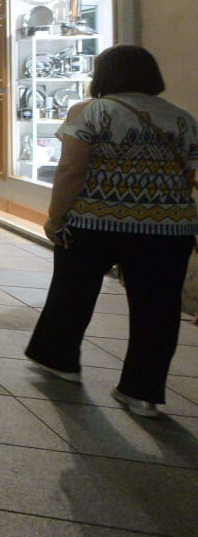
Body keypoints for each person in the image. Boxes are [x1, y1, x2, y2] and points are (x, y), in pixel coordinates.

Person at [24, 45, 198, 418]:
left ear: (102, 75)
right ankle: (142, 392)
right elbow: (189, 174)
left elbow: (71, 170)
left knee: (73, 292)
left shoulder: (90, 112)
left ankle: (60, 360)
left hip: (94, 222)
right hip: (168, 228)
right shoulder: (182, 118)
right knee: (158, 309)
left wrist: (56, 218)